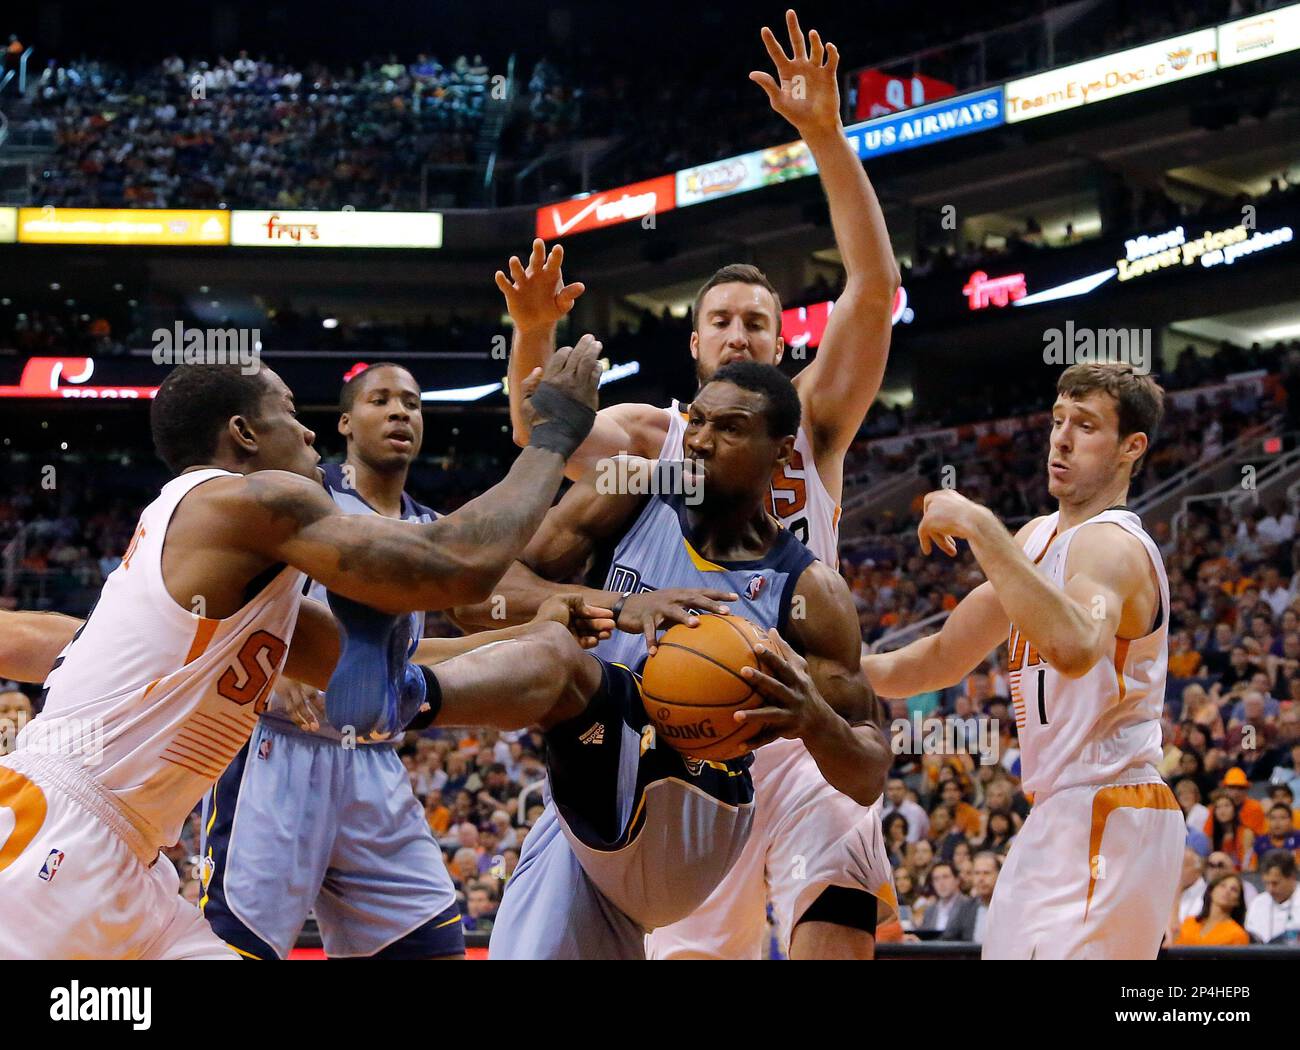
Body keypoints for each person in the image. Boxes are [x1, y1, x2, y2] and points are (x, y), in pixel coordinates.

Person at [500, 10, 900, 961]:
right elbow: (537, 432)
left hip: (799, 712)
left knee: (836, 894)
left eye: (757, 323)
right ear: (693, 343)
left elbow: (874, 289)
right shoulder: (652, 438)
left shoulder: (816, 422)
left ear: (782, 341)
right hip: (677, 724)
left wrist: (825, 139)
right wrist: (531, 333)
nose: (738, 334)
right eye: (720, 319)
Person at [0, 344, 602, 960]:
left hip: (133, 862)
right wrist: (553, 435)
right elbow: (459, 566)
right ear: (244, 433)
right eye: (289, 412)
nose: (309, 430)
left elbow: (401, 669)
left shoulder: (240, 564)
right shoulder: (240, 503)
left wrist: (532, 636)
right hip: (56, 832)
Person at [455, 363, 892, 959]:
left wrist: (813, 716)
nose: (702, 439)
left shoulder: (810, 590)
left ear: (781, 450)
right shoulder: (630, 488)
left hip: (698, 815)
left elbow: (867, 775)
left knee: (575, 674)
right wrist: (621, 606)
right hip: (597, 787)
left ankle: (417, 690)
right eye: (698, 420)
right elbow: (478, 595)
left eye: (730, 428)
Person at [865, 363, 1184, 959]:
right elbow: (938, 658)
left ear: (1131, 448)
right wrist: (829, 674)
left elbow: (1075, 646)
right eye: (1058, 421)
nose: (1061, 439)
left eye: (1086, 426)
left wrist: (979, 525)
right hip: (1055, 812)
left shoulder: (1113, 544)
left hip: (1114, 806)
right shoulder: (1037, 540)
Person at [198, 363, 464, 960]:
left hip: (373, 762)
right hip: (276, 753)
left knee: (431, 947)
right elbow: (234, 604)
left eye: (413, 403)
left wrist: (556, 617)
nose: (401, 412)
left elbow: (434, 645)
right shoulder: (306, 504)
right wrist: (288, 663)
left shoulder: (428, 529)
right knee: (232, 950)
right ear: (345, 422)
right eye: (381, 400)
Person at [1174, 873, 1250, 946]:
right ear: (1211, 891)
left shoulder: (1238, 934)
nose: (1227, 891)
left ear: (1238, 901)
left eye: (1234, 889)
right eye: (1222, 886)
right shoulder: (1189, 922)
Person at [939, 851, 1000, 943]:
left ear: (999, 875)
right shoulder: (965, 907)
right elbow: (947, 940)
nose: (981, 879)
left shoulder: (1010, 908)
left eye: (986, 873)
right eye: (977, 873)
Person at [1243, 851, 1300, 943]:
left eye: (1275, 883)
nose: (1270, 889)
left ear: (1292, 877)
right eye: (1266, 883)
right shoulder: (1258, 902)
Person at [1205, 791, 1255, 869]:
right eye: (1218, 807)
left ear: (1235, 810)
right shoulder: (1211, 837)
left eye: (1227, 805)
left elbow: (1249, 864)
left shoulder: (1246, 833)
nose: (1222, 810)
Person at [916, 860, 965, 935]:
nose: (941, 883)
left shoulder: (968, 906)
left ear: (957, 880)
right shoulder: (929, 911)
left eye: (945, 877)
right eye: (936, 879)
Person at [882, 777, 930, 842]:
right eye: (891, 789)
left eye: (898, 789)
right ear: (886, 792)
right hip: (891, 848)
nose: (895, 792)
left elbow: (912, 838)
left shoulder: (915, 810)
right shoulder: (885, 812)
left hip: (917, 847)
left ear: (905, 791)